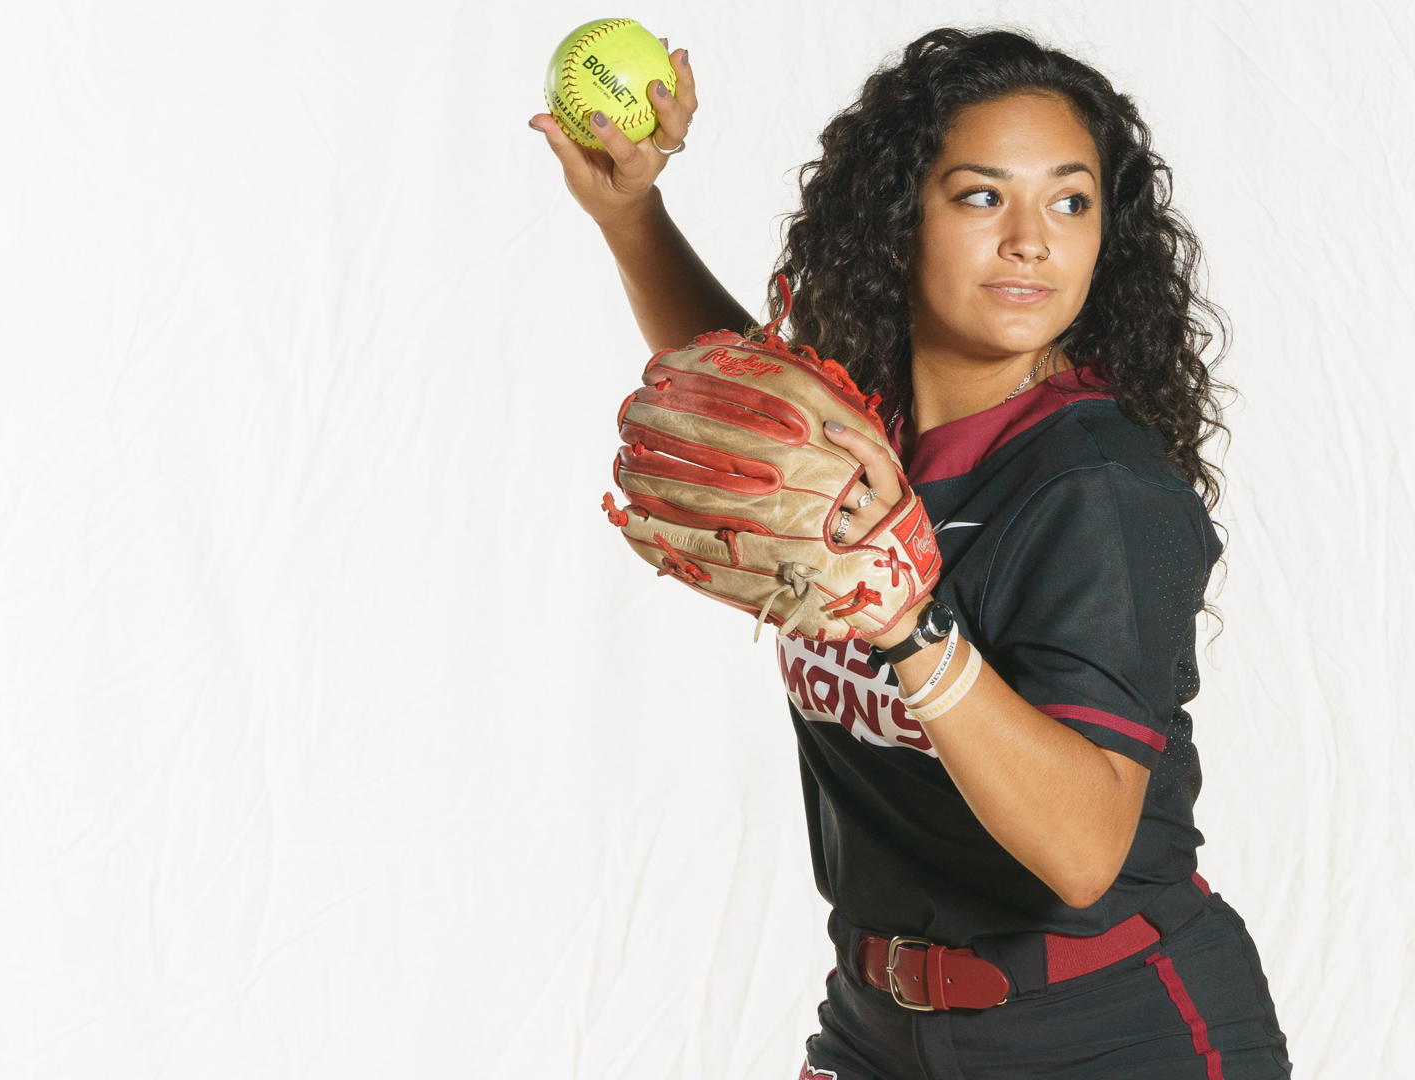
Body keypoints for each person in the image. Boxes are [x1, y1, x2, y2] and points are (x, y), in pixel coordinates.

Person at [530, 27, 1294, 1079]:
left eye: (1070, 201)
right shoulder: (862, 435)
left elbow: (1084, 853)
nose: (1031, 239)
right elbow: (737, 409)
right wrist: (630, 214)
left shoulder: (1098, 488)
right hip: (879, 1023)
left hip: (1108, 1032)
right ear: (899, 223)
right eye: (982, 195)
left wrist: (909, 623)